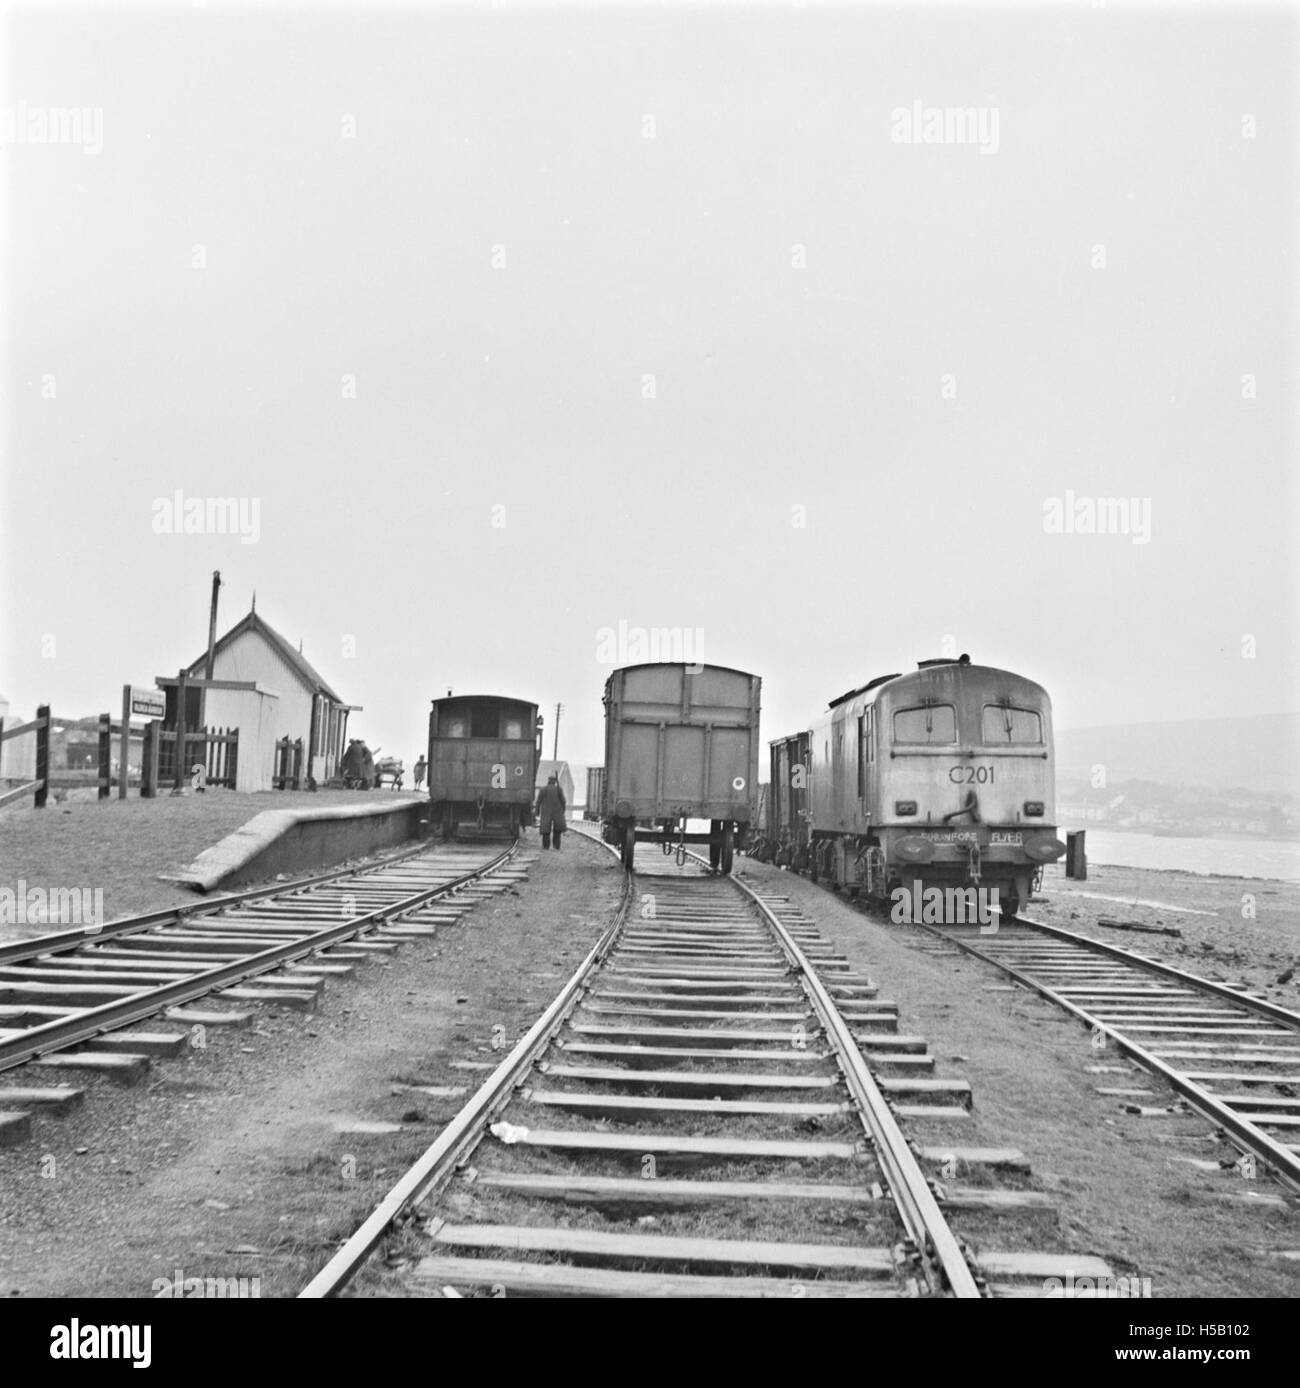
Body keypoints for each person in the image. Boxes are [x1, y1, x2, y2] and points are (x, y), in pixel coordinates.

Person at [535, 774, 567, 850]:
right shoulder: (559, 789)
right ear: (555, 781)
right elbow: (563, 801)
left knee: (546, 830)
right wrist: (563, 810)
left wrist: (537, 812)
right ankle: (556, 846)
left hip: (546, 811)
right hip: (557, 811)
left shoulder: (543, 789)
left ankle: (546, 846)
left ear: (548, 780)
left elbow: (538, 801)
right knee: (557, 830)